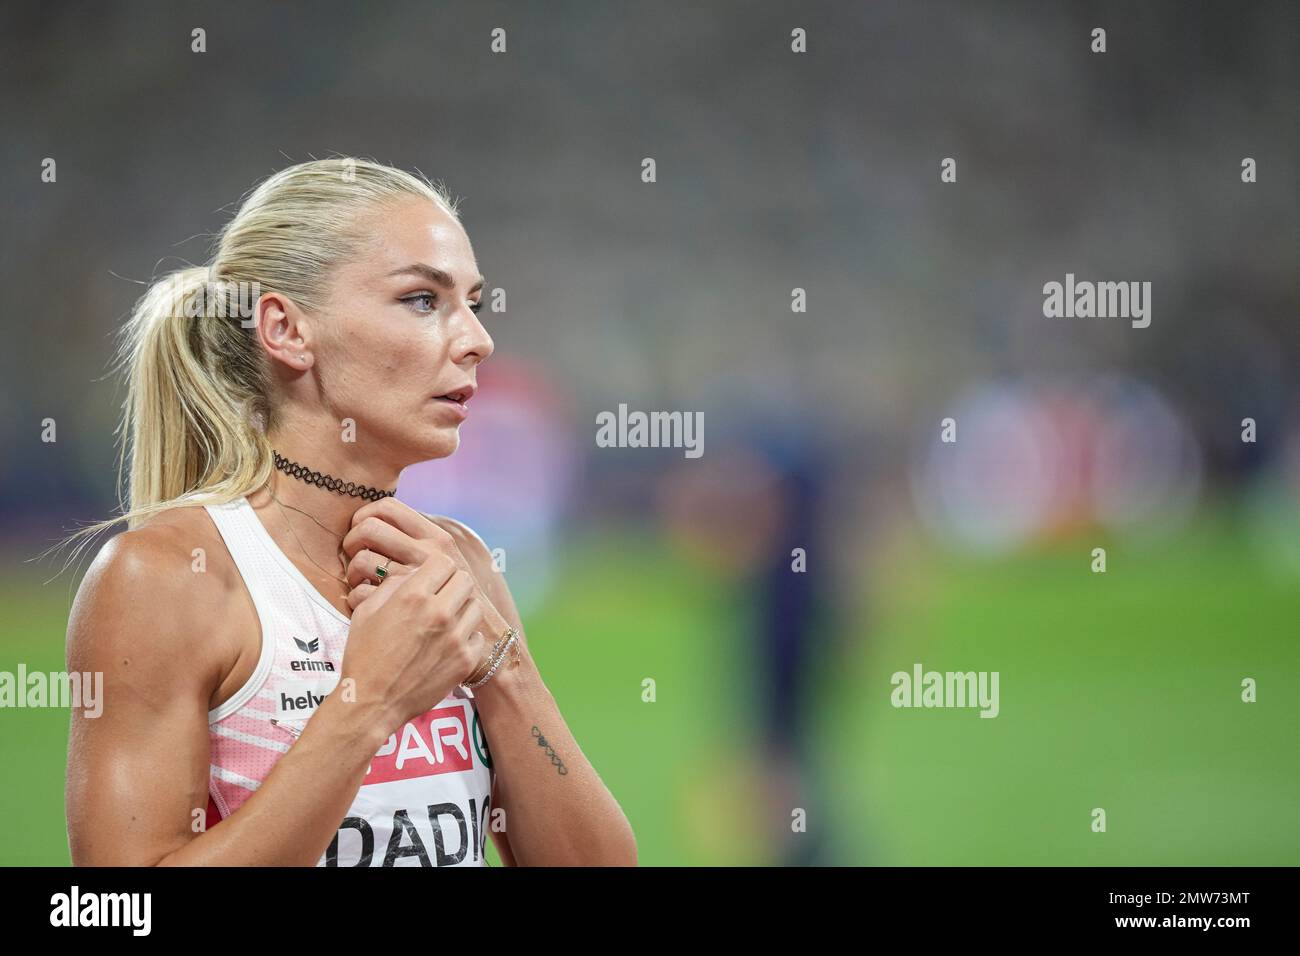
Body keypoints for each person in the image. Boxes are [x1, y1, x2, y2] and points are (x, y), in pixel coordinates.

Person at [63, 157, 637, 867]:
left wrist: (501, 665)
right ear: (286, 329)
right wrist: (368, 706)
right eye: (423, 300)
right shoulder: (164, 577)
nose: (477, 340)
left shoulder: (459, 567)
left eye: (473, 304)